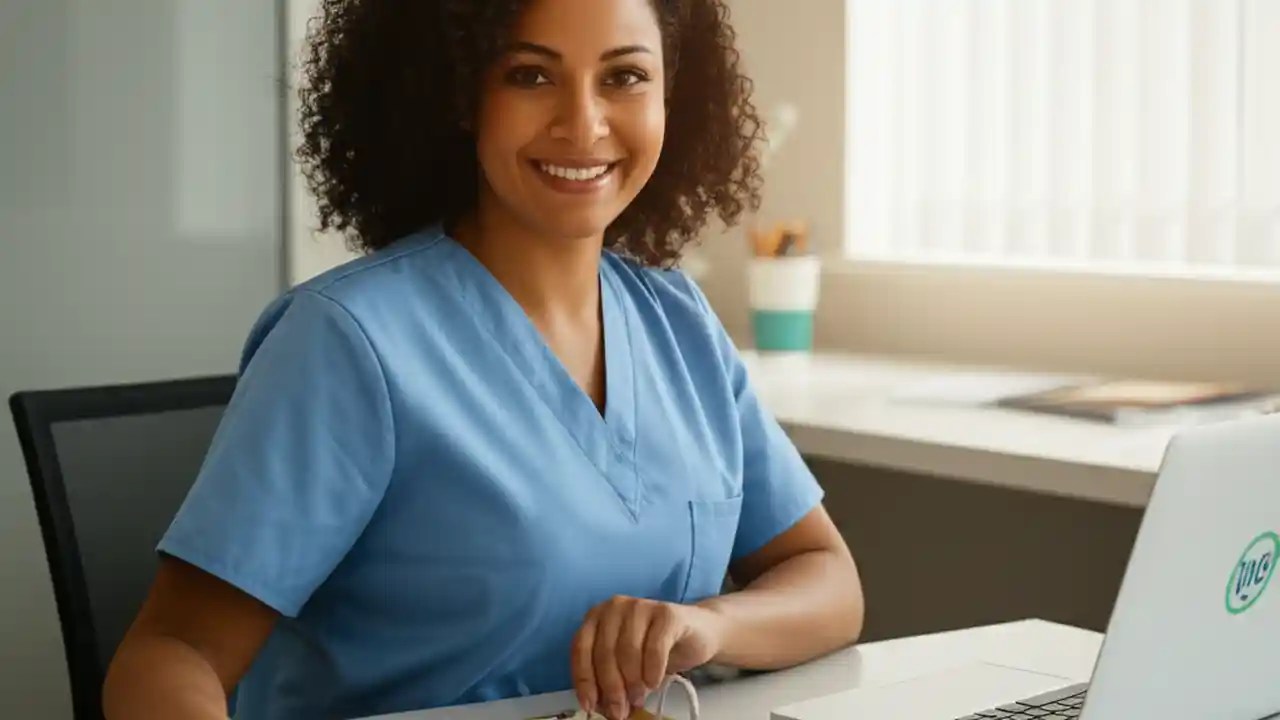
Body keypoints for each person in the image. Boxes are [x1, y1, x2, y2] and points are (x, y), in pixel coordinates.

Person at [102, 0, 865, 718]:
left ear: (675, 96)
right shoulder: (348, 340)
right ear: (462, 95)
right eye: (530, 75)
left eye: (625, 77)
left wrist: (711, 627)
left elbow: (829, 582)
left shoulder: (679, 322)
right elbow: (172, 654)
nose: (584, 123)